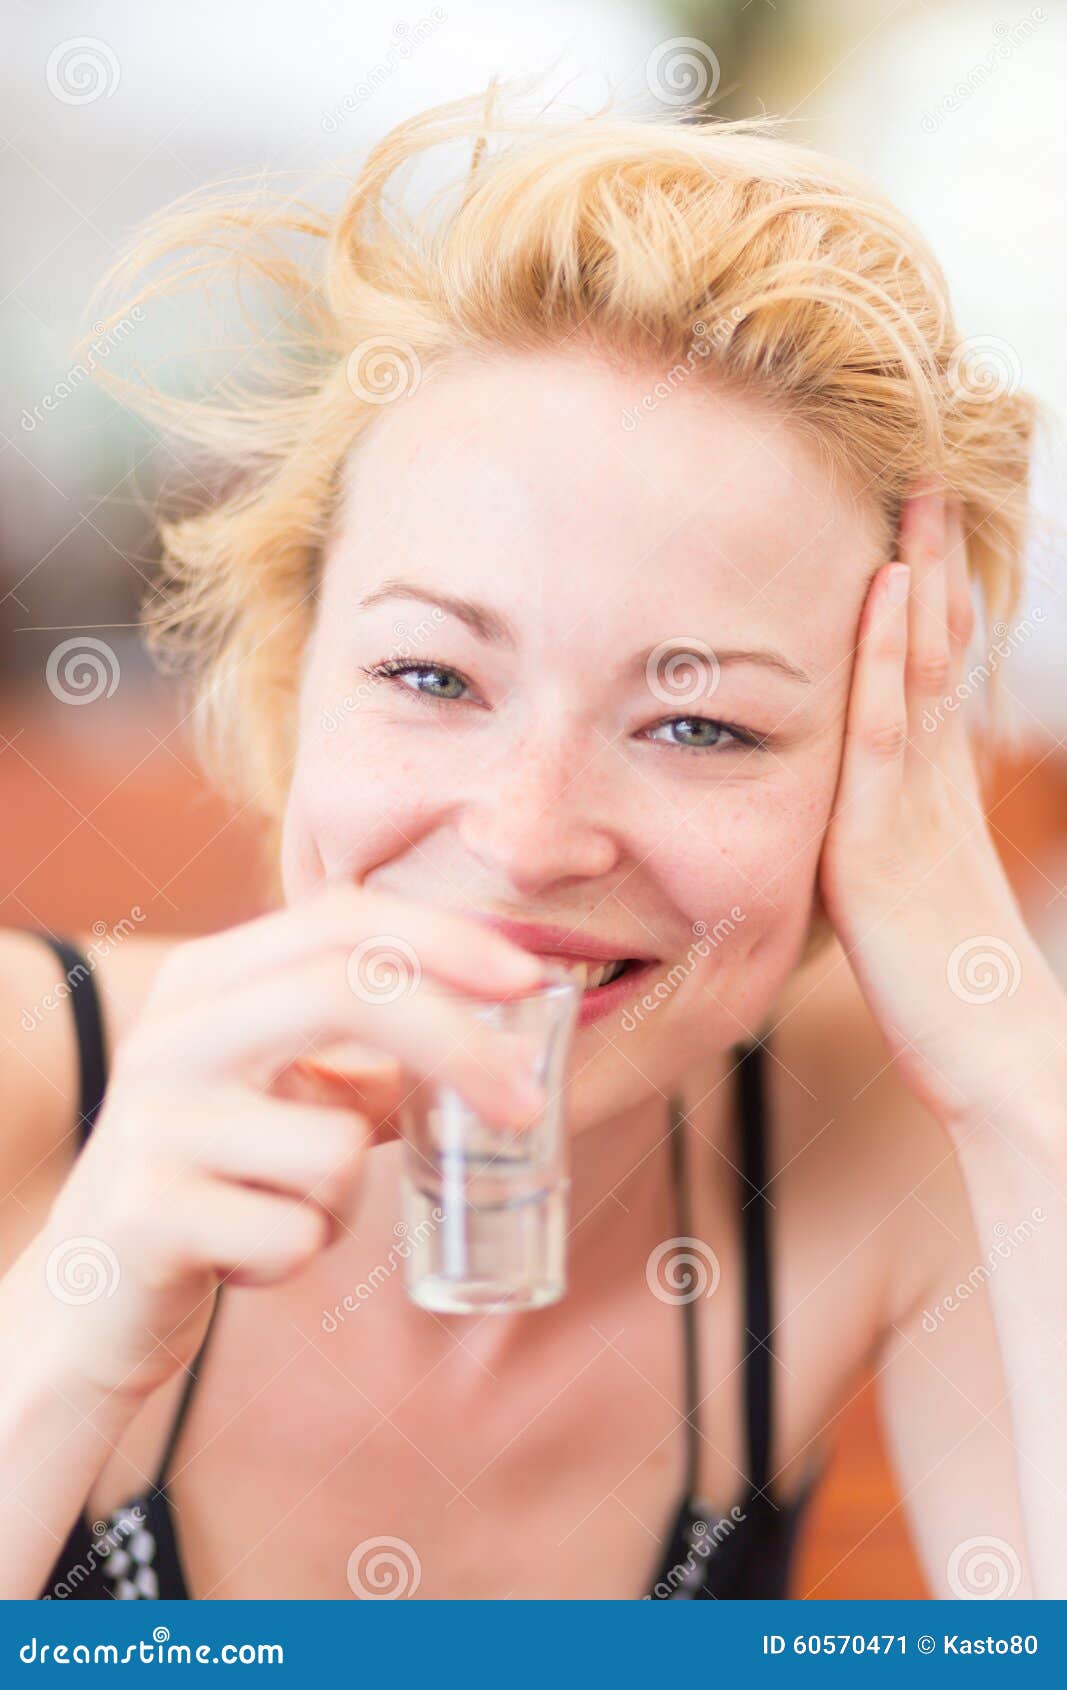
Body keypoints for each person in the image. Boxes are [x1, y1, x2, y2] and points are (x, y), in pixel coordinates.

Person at [3, 87, 1065, 1602]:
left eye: (702, 726)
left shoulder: (888, 1146)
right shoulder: (29, 1085)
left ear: (871, 772)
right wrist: (61, 1337)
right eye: (434, 678)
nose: (527, 837)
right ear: (296, 669)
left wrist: (1018, 1053)